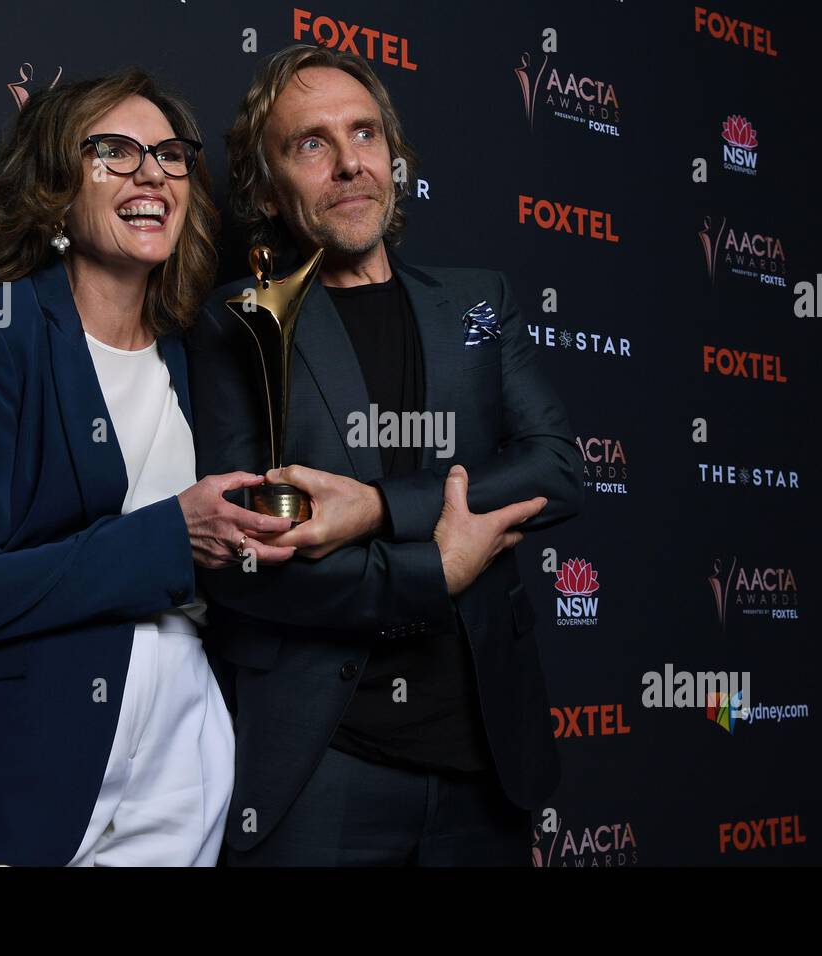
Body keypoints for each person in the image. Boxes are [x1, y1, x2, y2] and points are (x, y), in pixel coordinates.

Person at [0, 68, 301, 866]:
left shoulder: (199, 352)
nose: (151, 174)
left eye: (171, 155)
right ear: (56, 183)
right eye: (114, 152)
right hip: (16, 755)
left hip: (182, 744)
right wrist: (172, 538)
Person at [188, 45, 583, 865]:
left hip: (486, 762)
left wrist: (374, 509)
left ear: (394, 160)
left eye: (364, 134)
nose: (347, 163)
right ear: (265, 188)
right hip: (324, 766)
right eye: (310, 144)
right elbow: (241, 558)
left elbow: (556, 467)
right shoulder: (243, 321)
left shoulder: (478, 305)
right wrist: (434, 567)